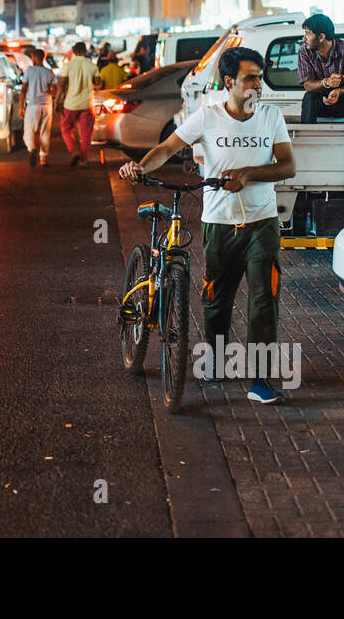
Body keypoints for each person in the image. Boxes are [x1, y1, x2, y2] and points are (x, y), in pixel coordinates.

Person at [119, 46, 297, 404]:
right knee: (217, 300)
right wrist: (140, 167)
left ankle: (259, 381)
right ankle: (216, 358)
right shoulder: (207, 116)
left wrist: (248, 175)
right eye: (250, 78)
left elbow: (287, 166)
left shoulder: (270, 117)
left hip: (262, 224)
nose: (257, 86)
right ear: (229, 81)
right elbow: (168, 148)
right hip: (219, 223)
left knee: (264, 300)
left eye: (260, 78)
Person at [297, 14, 344, 123]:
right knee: (309, 97)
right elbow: (307, 85)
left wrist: (339, 91)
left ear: (321, 37)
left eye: (307, 34)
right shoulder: (304, 50)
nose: (304, 38)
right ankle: (307, 136)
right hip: (321, 102)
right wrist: (327, 82)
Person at [55, 41, 101, 167]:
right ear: (85, 52)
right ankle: (84, 160)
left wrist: (57, 101)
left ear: (74, 51)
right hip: (87, 105)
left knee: (65, 130)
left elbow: (61, 84)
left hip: (70, 105)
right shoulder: (92, 66)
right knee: (86, 135)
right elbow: (98, 83)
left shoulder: (68, 66)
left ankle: (74, 151)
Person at [21, 48, 56, 167]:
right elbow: (54, 90)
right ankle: (43, 159)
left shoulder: (30, 71)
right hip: (47, 104)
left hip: (33, 105)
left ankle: (32, 148)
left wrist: (21, 106)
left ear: (34, 57)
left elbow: (23, 89)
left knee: (29, 129)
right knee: (45, 132)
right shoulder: (49, 72)